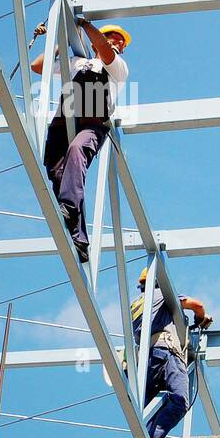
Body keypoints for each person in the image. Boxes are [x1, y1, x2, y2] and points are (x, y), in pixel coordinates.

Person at [30, 18, 132, 262]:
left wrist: (84, 25)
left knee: (77, 151)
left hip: (93, 123)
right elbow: (37, 66)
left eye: (121, 41)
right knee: (56, 171)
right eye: (112, 37)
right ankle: (78, 238)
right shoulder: (78, 62)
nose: (117, 42)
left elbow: (105, 51)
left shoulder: (117, 67)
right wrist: (59, 40)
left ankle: (68, 207)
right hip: (63, 121)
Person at [129, 265, 212, 438]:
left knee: (147, 408)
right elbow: (197, 305)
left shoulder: (135, 304)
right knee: (180, 401)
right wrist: (201, 318)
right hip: (166, 352)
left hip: (146, 362)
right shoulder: (161, 295)